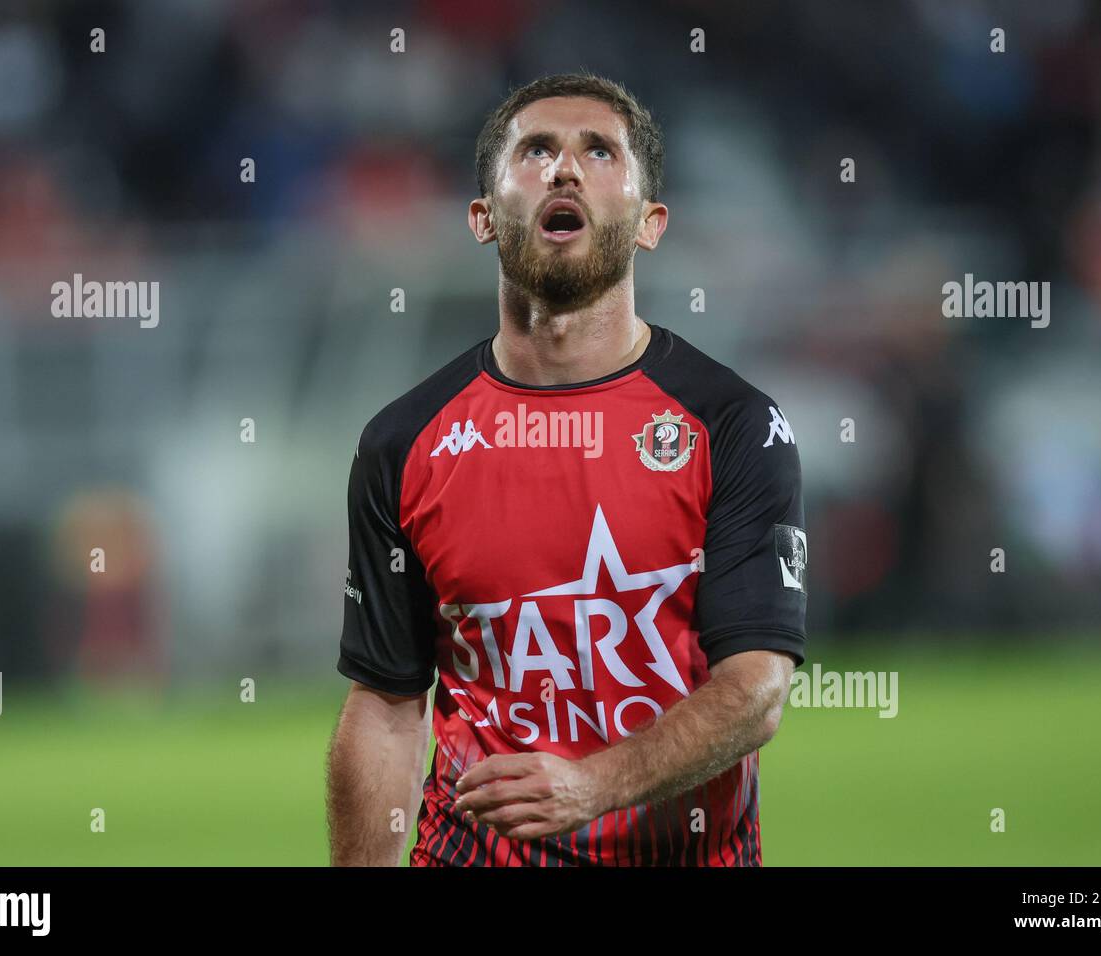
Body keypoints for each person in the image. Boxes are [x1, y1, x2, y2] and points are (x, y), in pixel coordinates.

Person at [328, 72, 806, 866]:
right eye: (537, 149)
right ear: (483, 218)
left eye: (600, 151)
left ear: (651, 224)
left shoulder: (734, 426)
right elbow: (386, 703)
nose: (565, 169)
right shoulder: (403, 442)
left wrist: (590, 786)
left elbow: (754, 689)